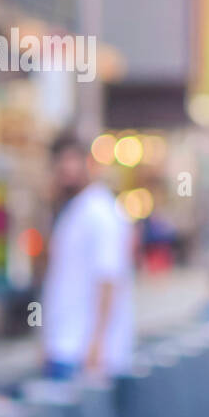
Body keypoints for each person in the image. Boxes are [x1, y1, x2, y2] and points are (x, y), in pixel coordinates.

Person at [40, 130, 135, 381]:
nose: (66, 169)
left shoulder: (100, 211)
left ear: (89, 163)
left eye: (73, 160)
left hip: (84, 353)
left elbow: (108, 277)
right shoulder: (72, 210)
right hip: (64, 346)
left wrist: (97, 343)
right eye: (61, 162)